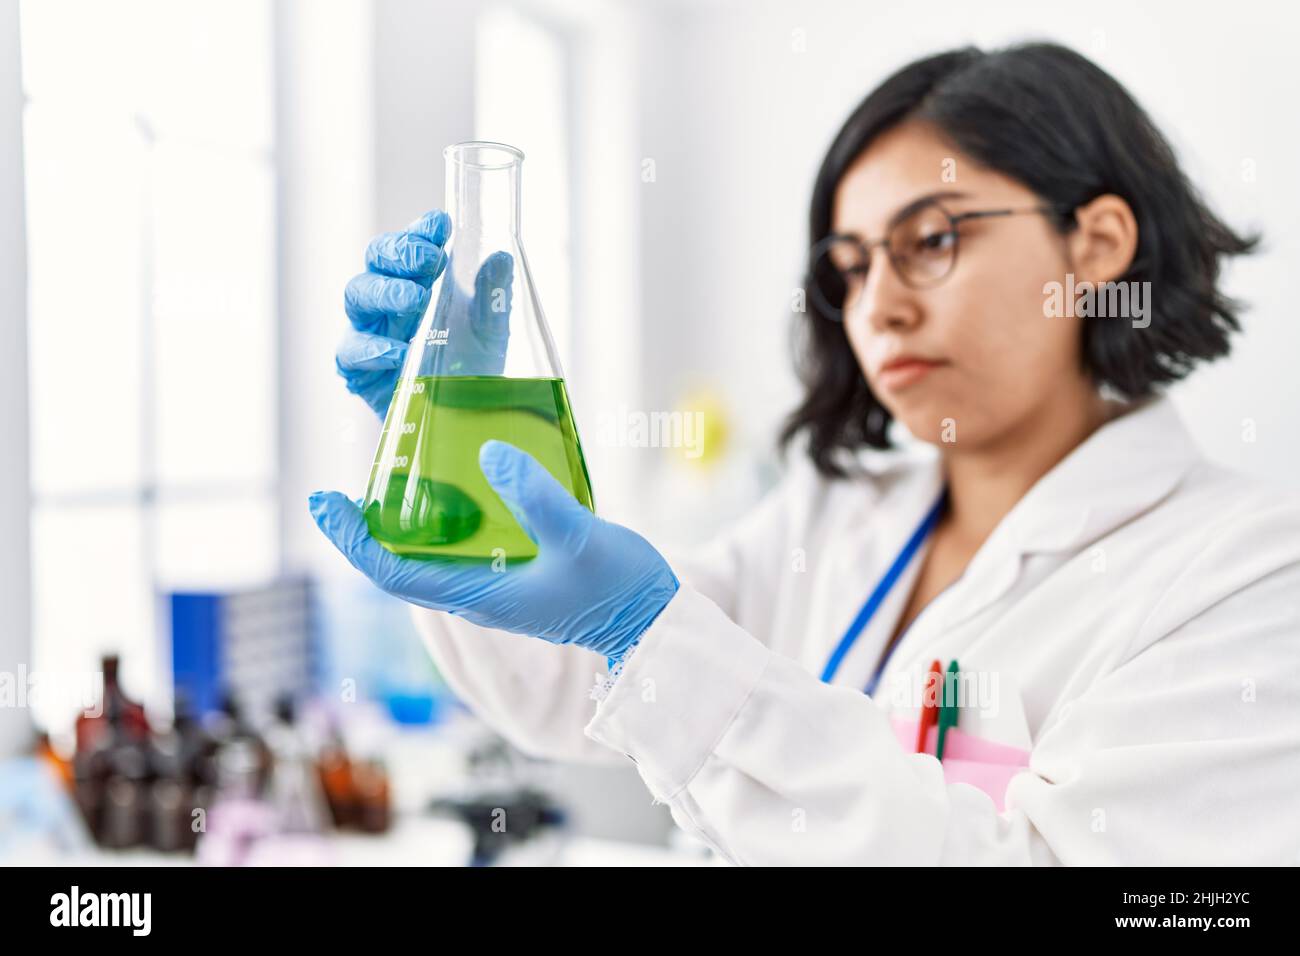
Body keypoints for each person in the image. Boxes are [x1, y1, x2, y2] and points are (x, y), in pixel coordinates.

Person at [309, 42, 1300, 865]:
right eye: (851, 264)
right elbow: (565, 688)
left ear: (1096, 245)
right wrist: (446, 461)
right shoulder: (828, 519)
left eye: (932, 241)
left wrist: (645, 633)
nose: (878, 305)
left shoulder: (1247, 575)